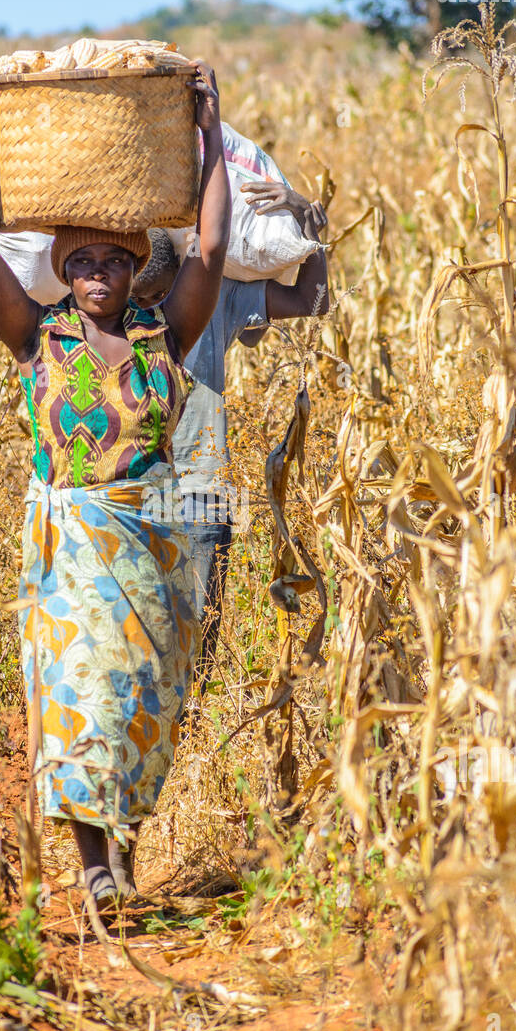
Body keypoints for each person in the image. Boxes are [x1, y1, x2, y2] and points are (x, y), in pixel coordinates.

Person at [0, 60, 231, 908]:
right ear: (65, 272)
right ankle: (94, 870)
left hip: (148, 548)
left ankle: (125, 855)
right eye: (83, 262)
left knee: (137, 703)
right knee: (81, 696)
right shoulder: (37, 339)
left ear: (136, 268)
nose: (100, 275)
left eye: (116, 260)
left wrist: (208, 127)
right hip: (69, 553)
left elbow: (215, 246)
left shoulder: (164, 336)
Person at [131, 190, 330, 681]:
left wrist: (311, 235)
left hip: (201, 493)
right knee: (130, 649)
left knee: (195, 649)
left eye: (162, 295)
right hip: (126, 495)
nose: (157, 310)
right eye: (143, 299)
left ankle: (187, 745)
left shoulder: (214, 299)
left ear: (181, 279)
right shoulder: (106, 311)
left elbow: (314, 301)